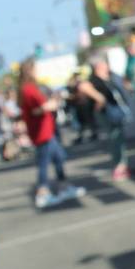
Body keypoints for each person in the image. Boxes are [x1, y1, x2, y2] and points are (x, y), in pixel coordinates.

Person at [18, 58, 85, 209]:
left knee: (59, 158)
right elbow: (36, 109)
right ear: (30, 71)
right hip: (42, 131)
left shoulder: (30, 88)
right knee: (44, 163)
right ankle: (43, 194)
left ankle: (64, 187)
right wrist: (51, 104)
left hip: (46, 130)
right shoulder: (28, 89)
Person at [79, 55, 131, 180]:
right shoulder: (94, 79)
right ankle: (118, 166)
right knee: (115, 138)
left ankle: (123, 165)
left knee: (120, 138)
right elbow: (82, 87)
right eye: (104, 64)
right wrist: (99, 98)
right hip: (107, 113)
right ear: (98, 66)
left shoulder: (110, 77)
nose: (107, 66)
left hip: (117, 111)